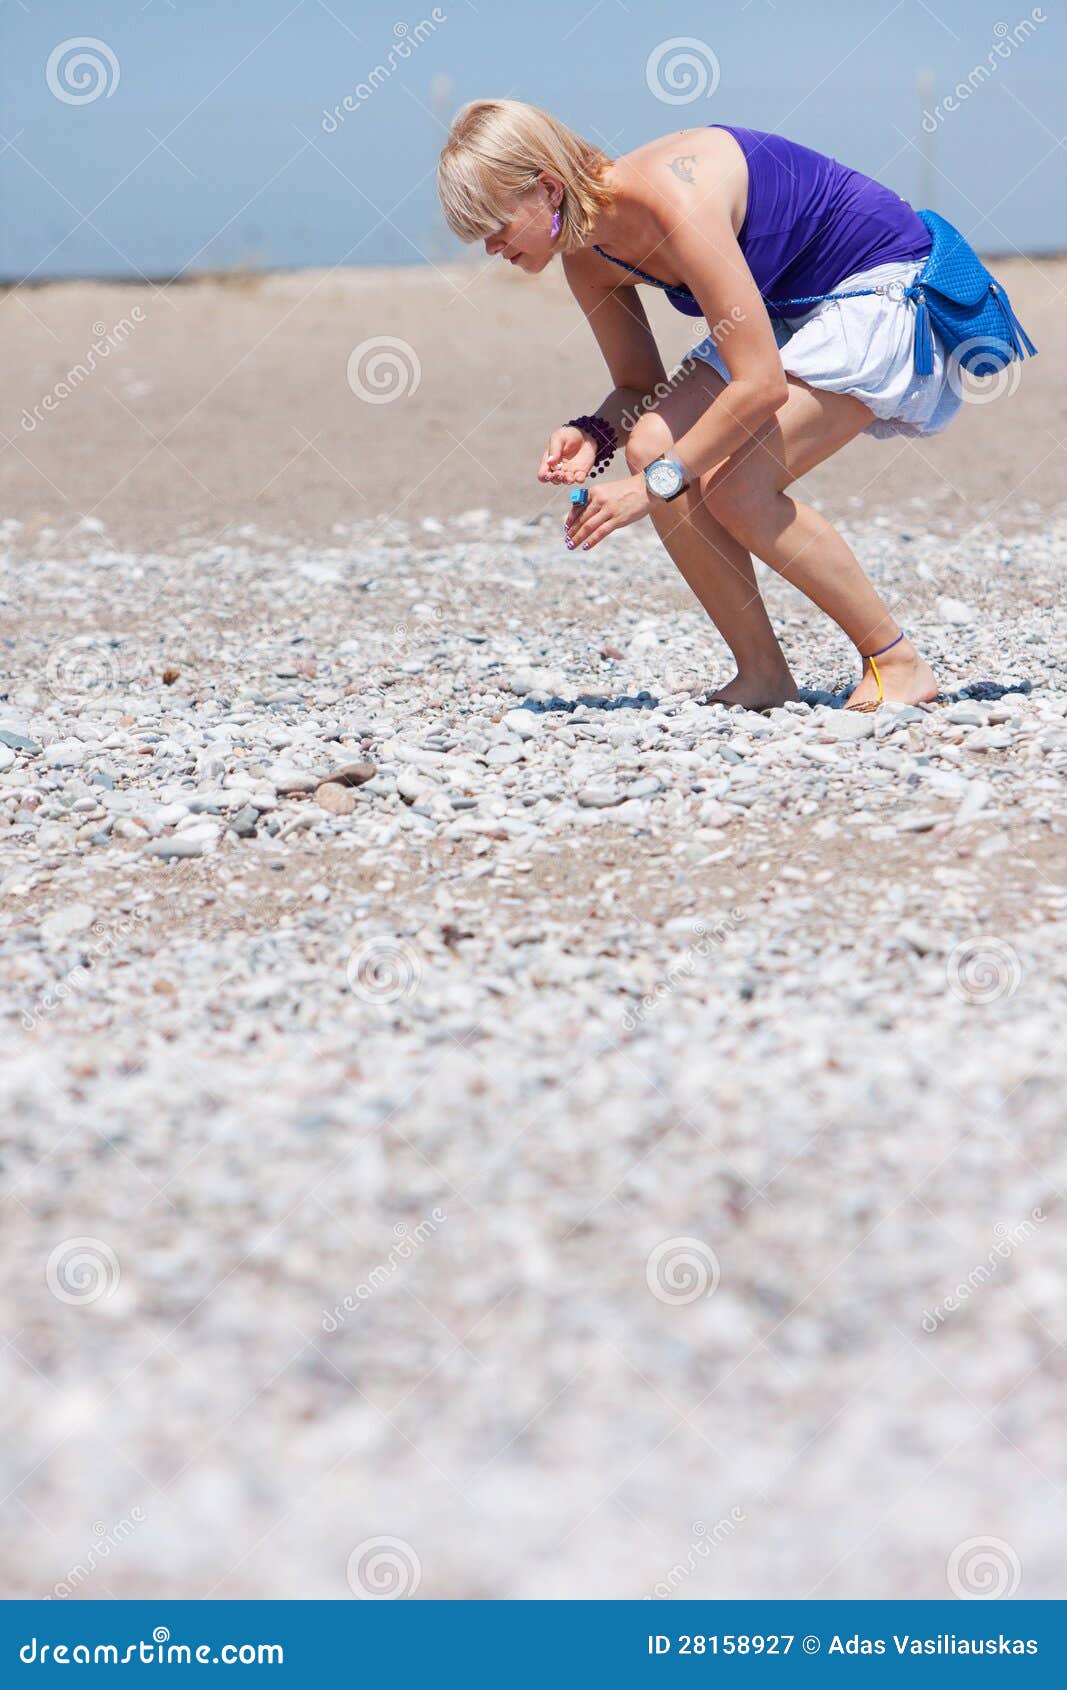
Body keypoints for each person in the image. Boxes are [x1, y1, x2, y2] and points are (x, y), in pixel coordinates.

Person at [436, 99, 981, 712]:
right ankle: (763, 675)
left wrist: (651, 489)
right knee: (646, 445)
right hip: (783, 303)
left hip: (878, 280)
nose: (489, 248)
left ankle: (896, 662)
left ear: (546, 188)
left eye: (495, 225)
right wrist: (595, 432)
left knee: (736, 488)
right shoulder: (587, 255)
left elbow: (760, 385)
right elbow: (640, 386)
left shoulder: (673, 197)